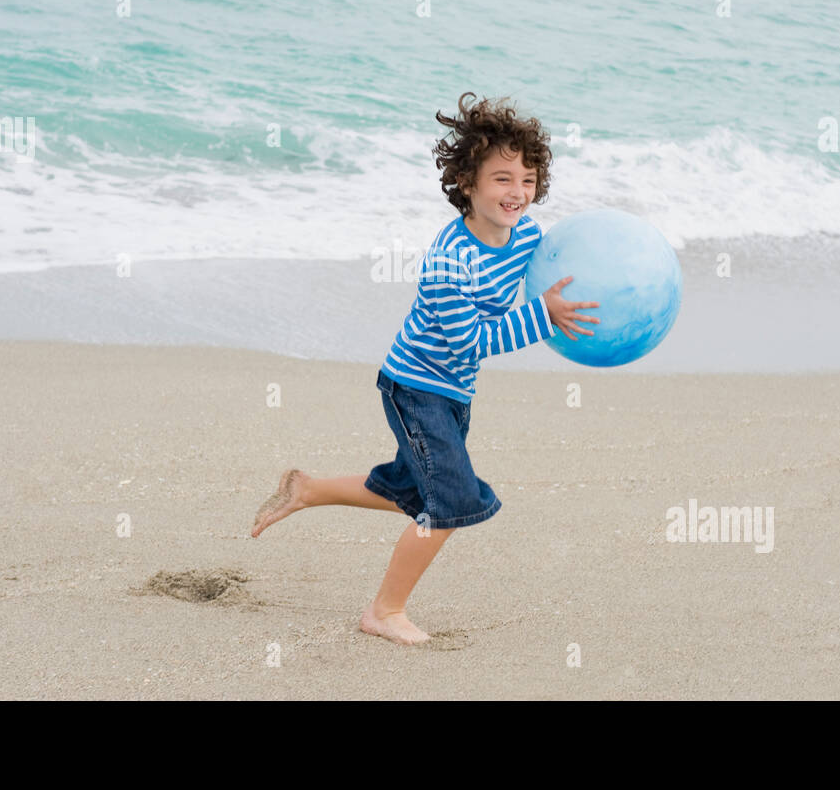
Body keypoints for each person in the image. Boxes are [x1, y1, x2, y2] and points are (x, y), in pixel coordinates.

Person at [250, 92, 600, 645]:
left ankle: (308, 489)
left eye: (528, 180)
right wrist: (544, 318)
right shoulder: (449, 260)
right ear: (468, 183)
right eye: (503, 179)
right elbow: (468, 342)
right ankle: (384, 611)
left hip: (453, 392)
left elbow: (554, 272)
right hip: (414, 387)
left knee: (412, 490)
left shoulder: (528, 237)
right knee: (453, 498)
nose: (518, 193)